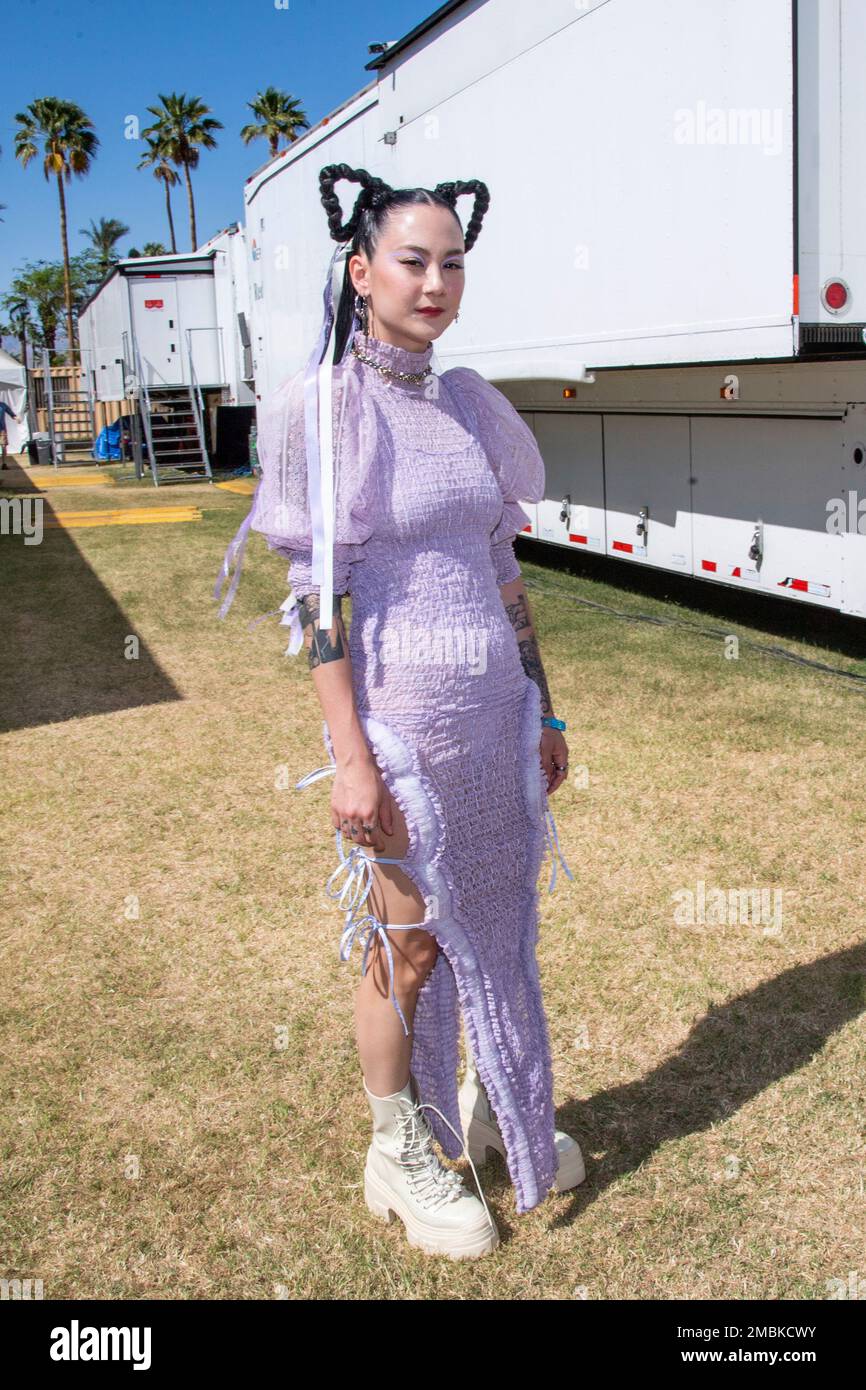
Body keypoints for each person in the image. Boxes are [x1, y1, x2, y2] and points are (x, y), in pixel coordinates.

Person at [214, 164, 585, 1260]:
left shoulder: (466, 401)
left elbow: (500, 568)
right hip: (399, 732)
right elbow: (317, 601)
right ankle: (395, 1145)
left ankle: (490, 1111)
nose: (433, 281)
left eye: (451, 262)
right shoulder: (325, 408)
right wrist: (350, 757)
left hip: (492, 723)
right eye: (412, 261)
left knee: (498, 928)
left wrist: (544, 709)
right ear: (360, 270)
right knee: (408, 941)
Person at [0, 400, 20, 468]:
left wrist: (16, 418)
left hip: (2, 430)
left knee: (3, 446)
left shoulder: (3, 405)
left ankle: (4, 464)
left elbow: (11, 414)